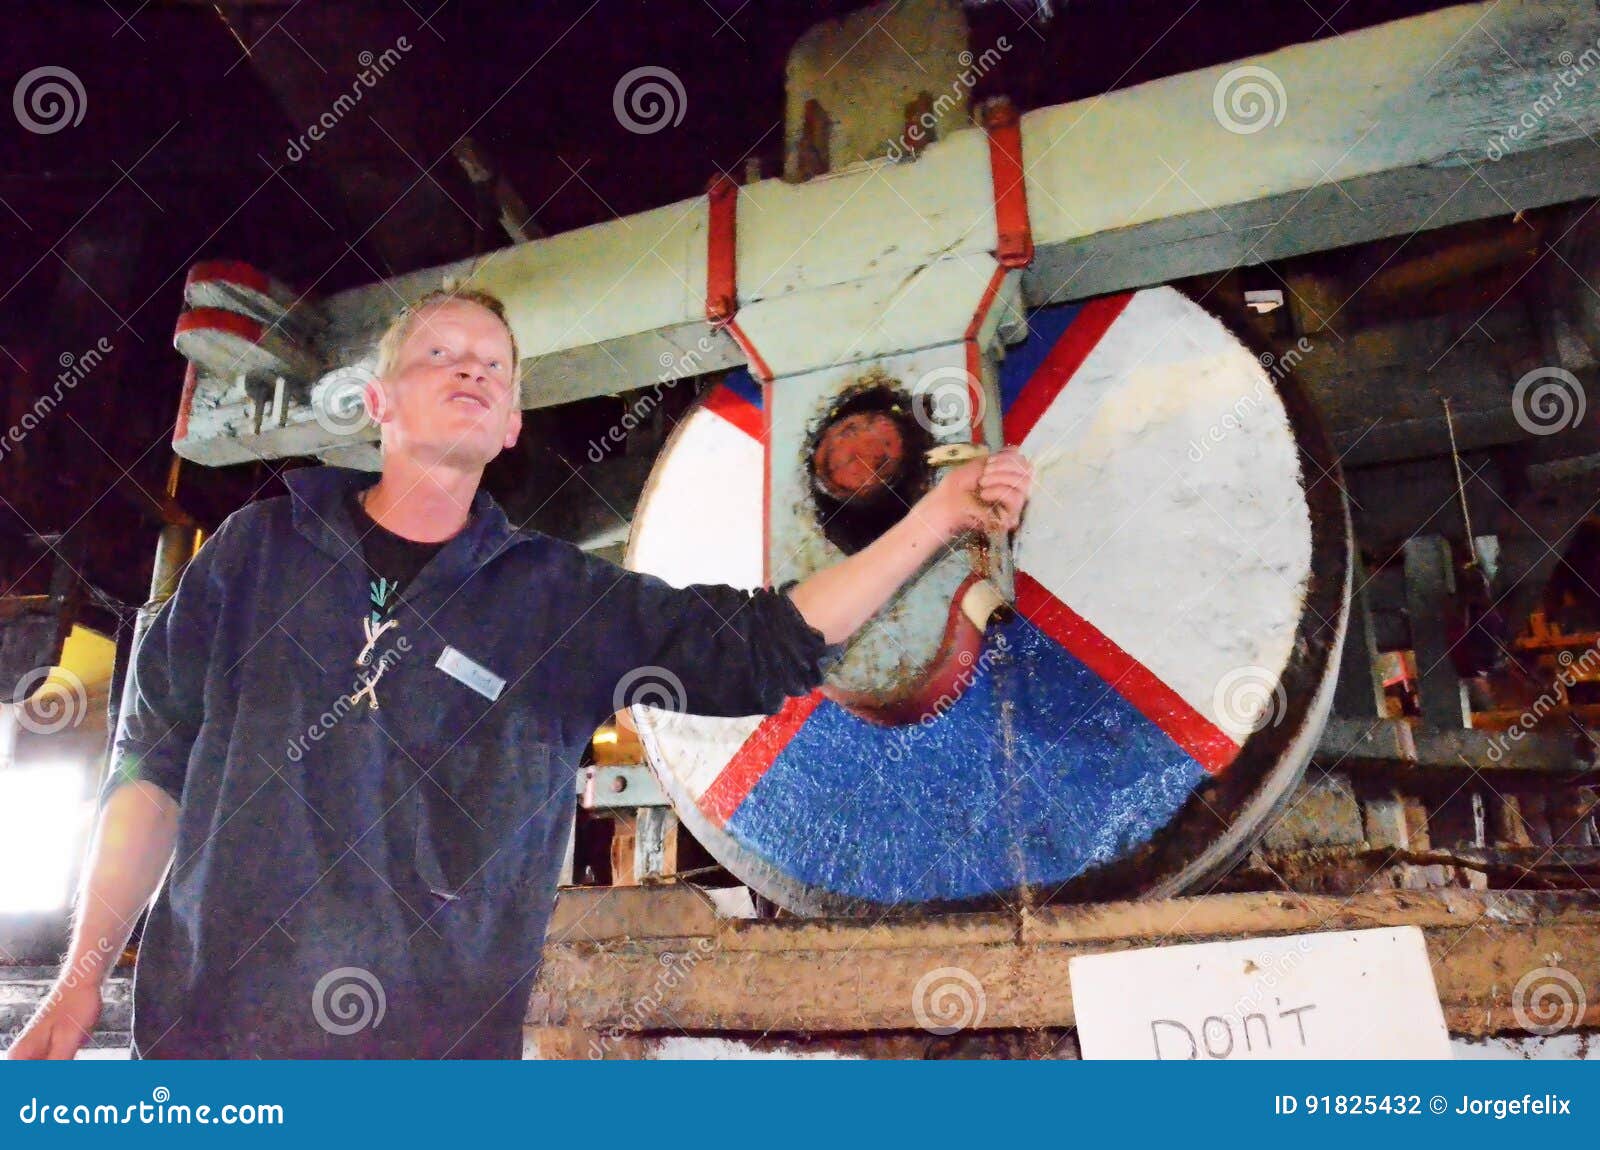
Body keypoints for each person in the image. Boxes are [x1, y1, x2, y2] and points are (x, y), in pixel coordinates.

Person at [7, 289, 1032, 1059]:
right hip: (211, 1050)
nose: (470, 370)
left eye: (493, 367)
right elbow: (150, 771)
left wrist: (933, 522)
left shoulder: (557, 602)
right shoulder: (251, 553)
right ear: (379, 403)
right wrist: (81, 978)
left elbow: (765, 643)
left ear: (508, 425)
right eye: (439, 354)